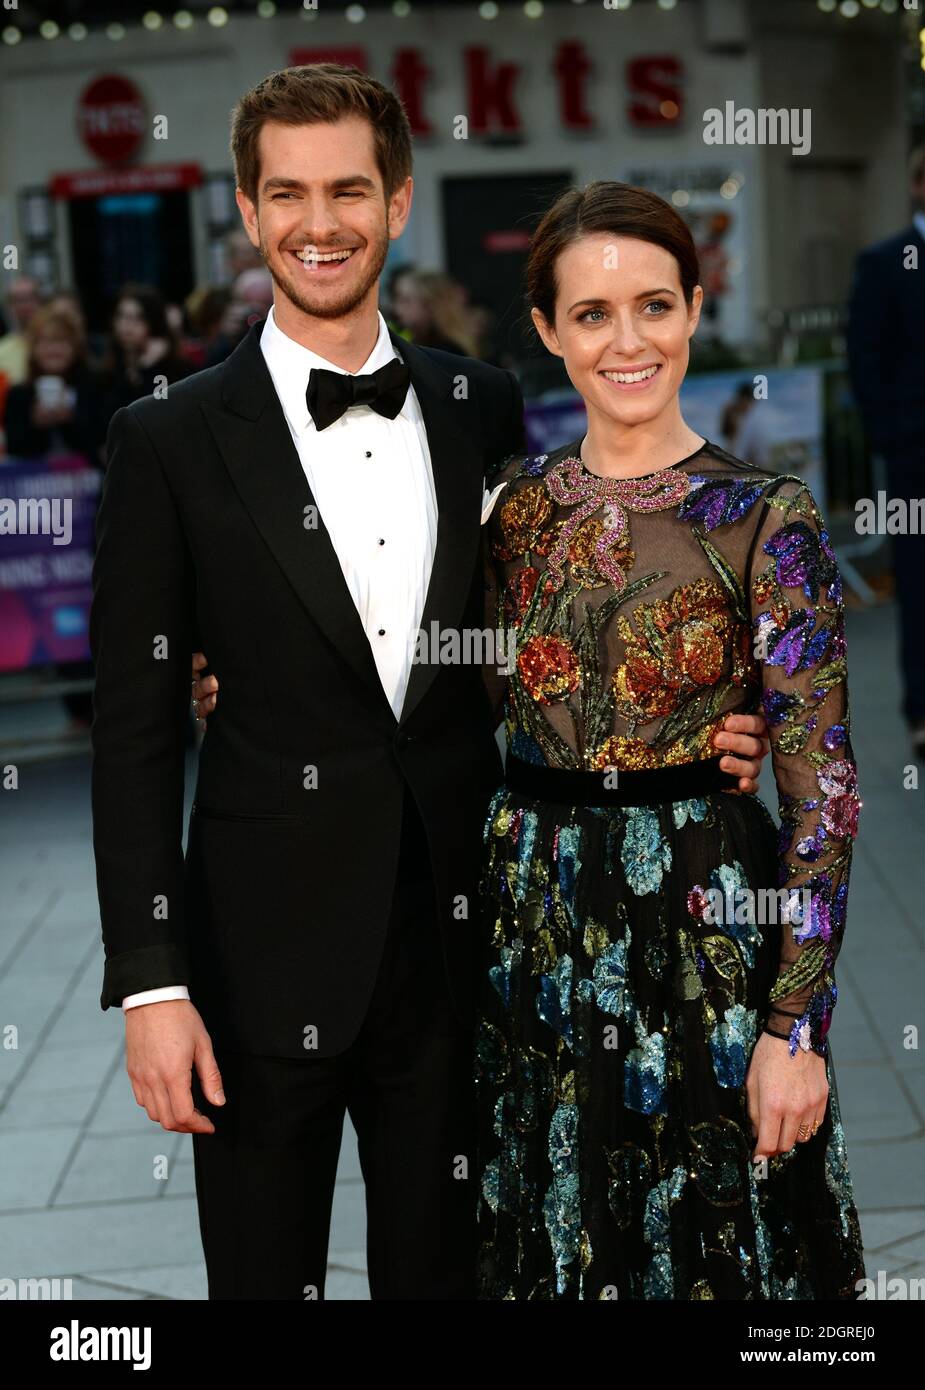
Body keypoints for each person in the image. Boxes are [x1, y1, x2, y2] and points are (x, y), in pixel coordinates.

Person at [94, 64, 771, 1303]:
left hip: (466, 950)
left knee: (453, 1281)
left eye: (350, 188)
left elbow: (557, 623)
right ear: (247, 213)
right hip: (257, 961)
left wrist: (711, 724)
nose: (321, 221)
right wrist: (151, 979)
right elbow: (132, 734)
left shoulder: (481, 402)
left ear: (398, 201)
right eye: (287, 193)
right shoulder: (167, 438)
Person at [472, 181, 864, 1299]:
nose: (627, 340)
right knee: (562, 1235)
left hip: (706, 929)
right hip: (536, 930)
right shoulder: (512, 511)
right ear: (548, 332)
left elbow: (826, 795)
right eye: (591, 314)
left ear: (694, 308)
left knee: (712, 1248)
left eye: (653, 304)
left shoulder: (765, 515)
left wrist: (797, 1024)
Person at [846, 145, 925, 761]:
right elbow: (865, 362)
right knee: (920, 584)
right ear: (917, 184)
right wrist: (895, 438)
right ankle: (921, 714)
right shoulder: (884, 264)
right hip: (916, 461)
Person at [3, 305, 105, 461]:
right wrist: (35, 423)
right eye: (45, 342)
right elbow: (14, 450)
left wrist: (70, 418)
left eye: (61, 342)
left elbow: (102, 443)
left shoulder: (94, 386)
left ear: (75, 347)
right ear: (33, 349)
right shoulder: (18, 393)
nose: (53, 350)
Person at [98, 283, 193, 420]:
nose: (126, 325)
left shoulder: (173, 370)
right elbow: (111, 419)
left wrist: (149, 368)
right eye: (121, 316)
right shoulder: (106, 371)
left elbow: (158, 413)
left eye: (137, 318)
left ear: (153, 323)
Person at [0, 275, 42, 387]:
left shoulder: (57, 345)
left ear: (40, 301)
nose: (24, 305)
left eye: (29, 298)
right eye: (18, 300)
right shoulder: (1, 350)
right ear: (10, 306)